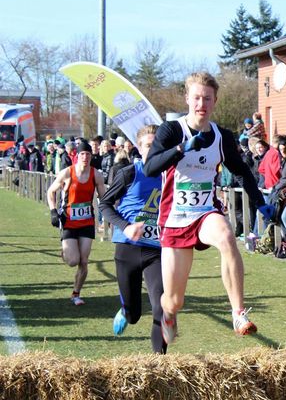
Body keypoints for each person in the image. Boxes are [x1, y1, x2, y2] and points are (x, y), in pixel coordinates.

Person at [143, 71, 271, 344]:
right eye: (197, 98)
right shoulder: (172, 130)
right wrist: (182, 148)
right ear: (188, 99)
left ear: (215, 102)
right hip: (175, 219)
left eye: (208, 98)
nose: (202, 103)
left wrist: (261, 203)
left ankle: (238, 313)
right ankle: (168, 313)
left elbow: (242, 173)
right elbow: (150, 167)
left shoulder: (221, 136)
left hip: (204, 214)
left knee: (226, 236)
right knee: (175, 300)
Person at [98, 125, 167, 354]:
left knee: (161, 306)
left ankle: (160, 363)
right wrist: (126, 227)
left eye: (157, 145)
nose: (153, 150)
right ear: (139, 147)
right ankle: (126, 311)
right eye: (148, 145)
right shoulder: (129, 173)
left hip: (156, 250)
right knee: (135, 314)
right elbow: (105, 205)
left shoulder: (171, 176)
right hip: (127, 249)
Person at [46, 142, 107, 305]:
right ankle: (66, 253)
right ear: (77, 156)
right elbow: (50, 191)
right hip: (68, 221)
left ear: (91, 156)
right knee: (73, 260)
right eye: (82, 154)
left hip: (87, 221)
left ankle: (76, 293)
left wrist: (111, 209)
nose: (85, 157)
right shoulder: (67, 173)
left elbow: (104, 197)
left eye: (88, 154)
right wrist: (53, 211)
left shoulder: (96, 175)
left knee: (84, 261)